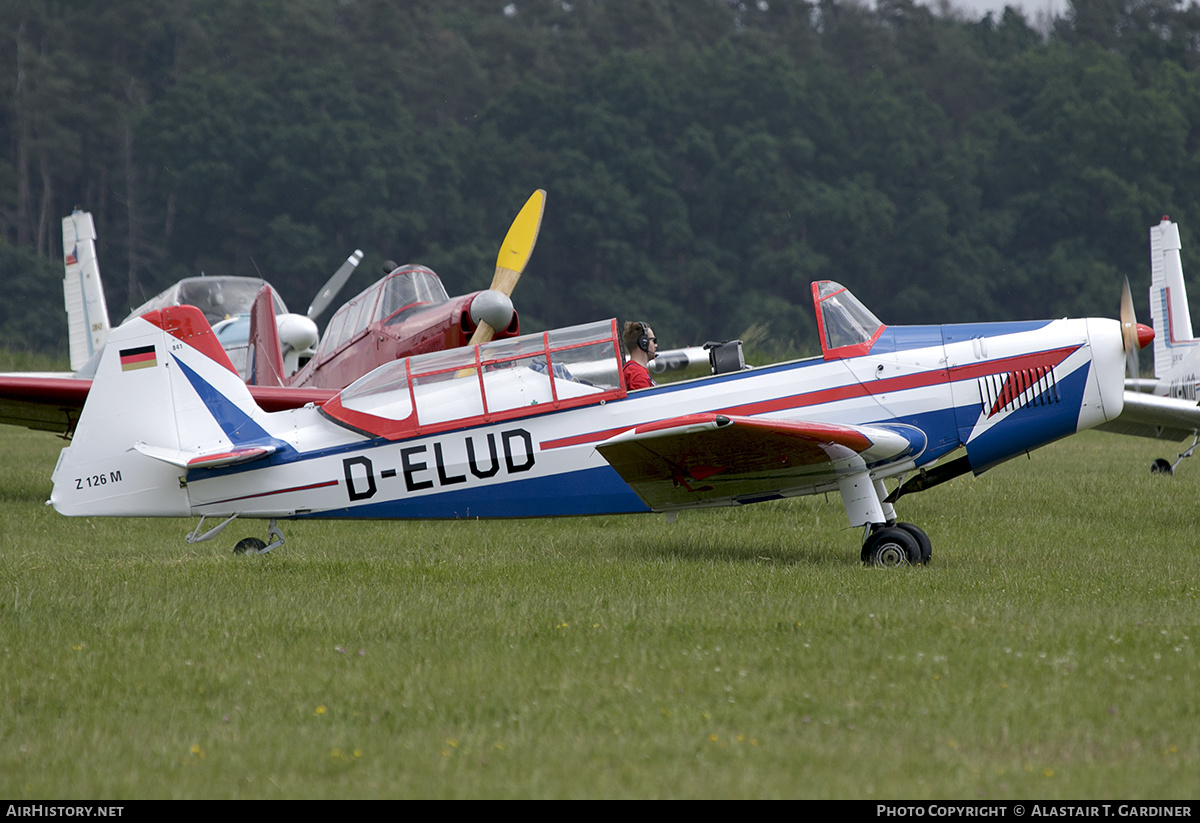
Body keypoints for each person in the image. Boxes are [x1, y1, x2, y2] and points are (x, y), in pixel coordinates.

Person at [622, 320, 658, 390]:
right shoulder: (637, 374)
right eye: (654, 341)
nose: (656, 345)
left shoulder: (637, 371)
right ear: (644, 343)